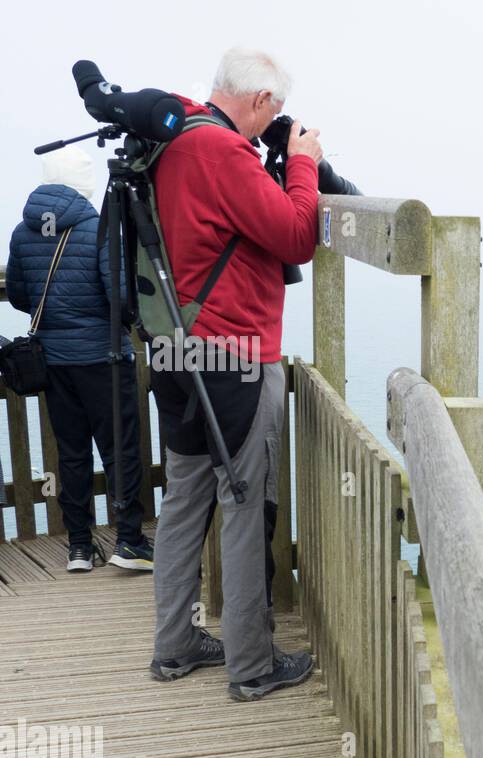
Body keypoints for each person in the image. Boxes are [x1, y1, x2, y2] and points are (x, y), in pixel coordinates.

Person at [148, 47, 320, 701]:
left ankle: (175, 643)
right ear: (256, 103)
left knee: (184, 502)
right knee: (244, 506)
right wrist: (301, 162)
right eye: (273, 110)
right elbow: (297, 234)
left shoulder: (175, 139)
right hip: (233, 359)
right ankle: (251, 665)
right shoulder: (223, 154)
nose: (275, 122)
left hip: (175, 354)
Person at [5, 146, 152, 572]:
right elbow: (120, 299)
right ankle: (128, 541)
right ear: (85, 184)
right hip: (103, 360)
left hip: (53, 361)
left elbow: (18, 295)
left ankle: (80, 548)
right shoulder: (99, 228)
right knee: (119, 449)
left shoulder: (23, 231)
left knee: (71, 452)